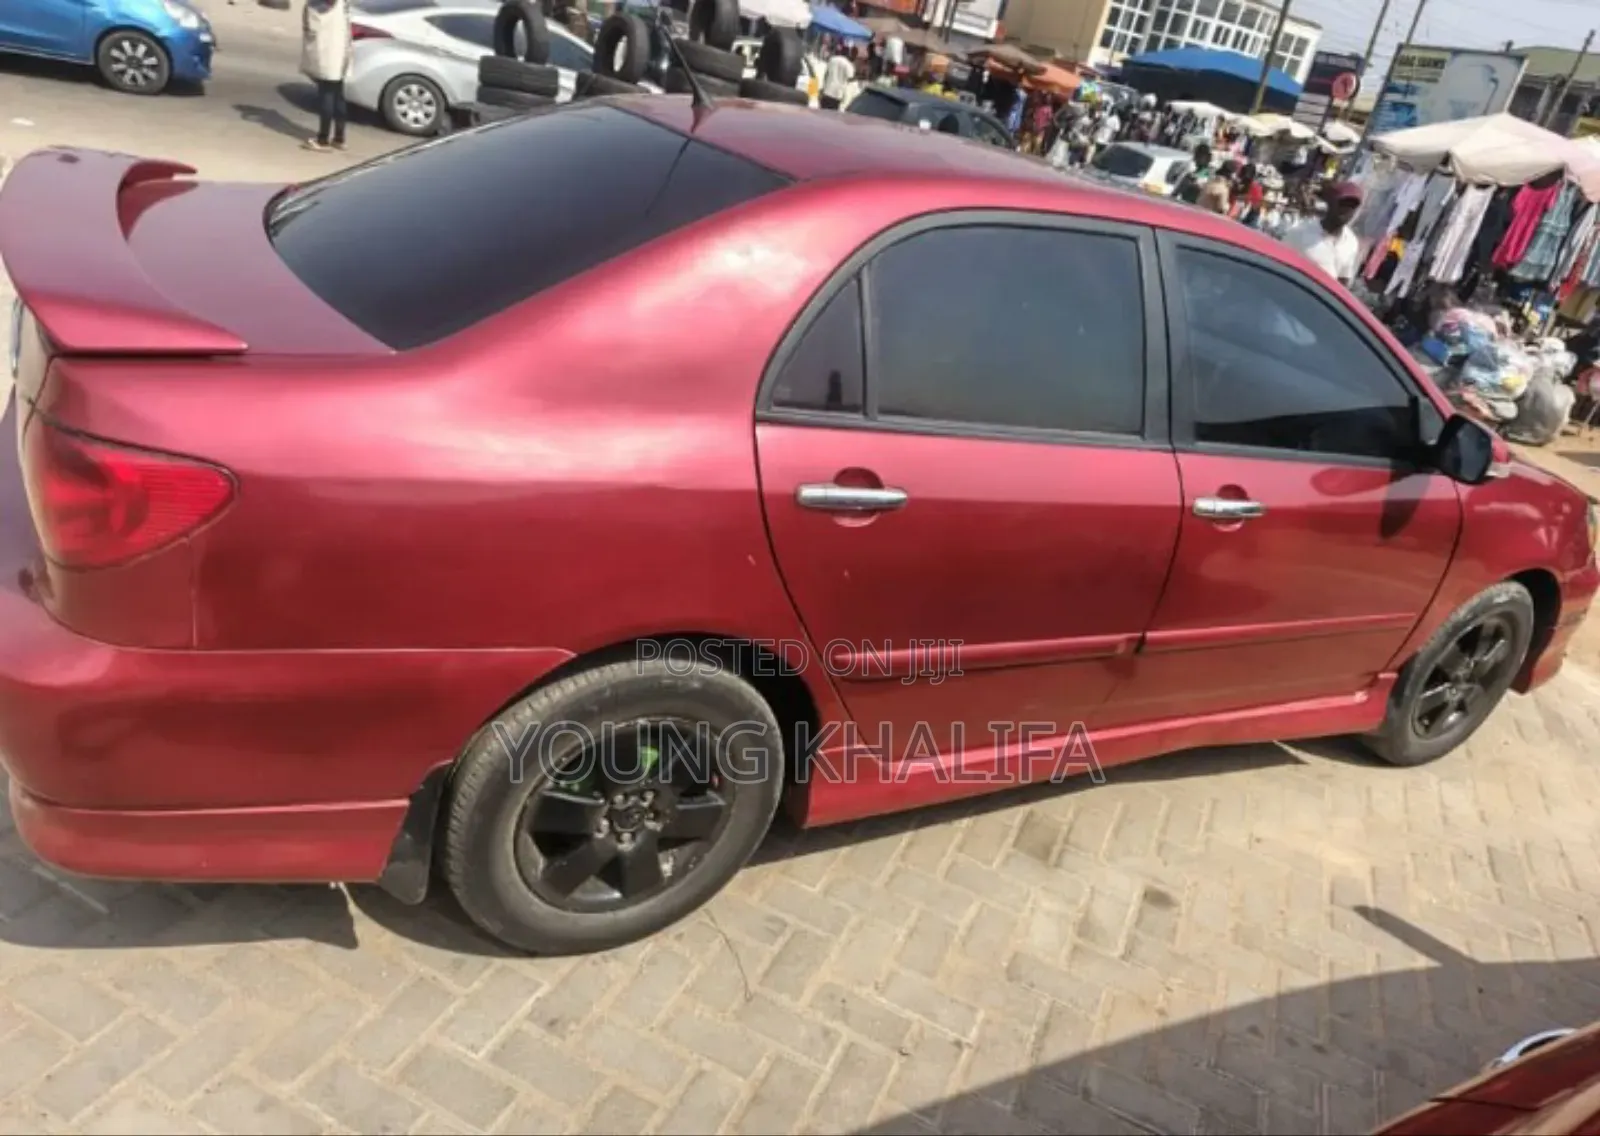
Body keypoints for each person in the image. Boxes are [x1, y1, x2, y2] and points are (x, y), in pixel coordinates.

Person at [1281, 180, 1364, 285]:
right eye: (1343, 204)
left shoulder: (1351, 242)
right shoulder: (1300, 232)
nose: (1347, 210)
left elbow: (1343, 279)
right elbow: (1279, 263)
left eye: (1352, 206)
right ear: (1330, 202)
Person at [300, 0, 352, 152]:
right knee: (339, 96)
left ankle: (323, 139)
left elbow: (310, 27)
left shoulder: (317, 6)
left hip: (327, 54)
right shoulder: (343, 5)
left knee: (327, 96)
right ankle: (339, 138)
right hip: (342, 53)